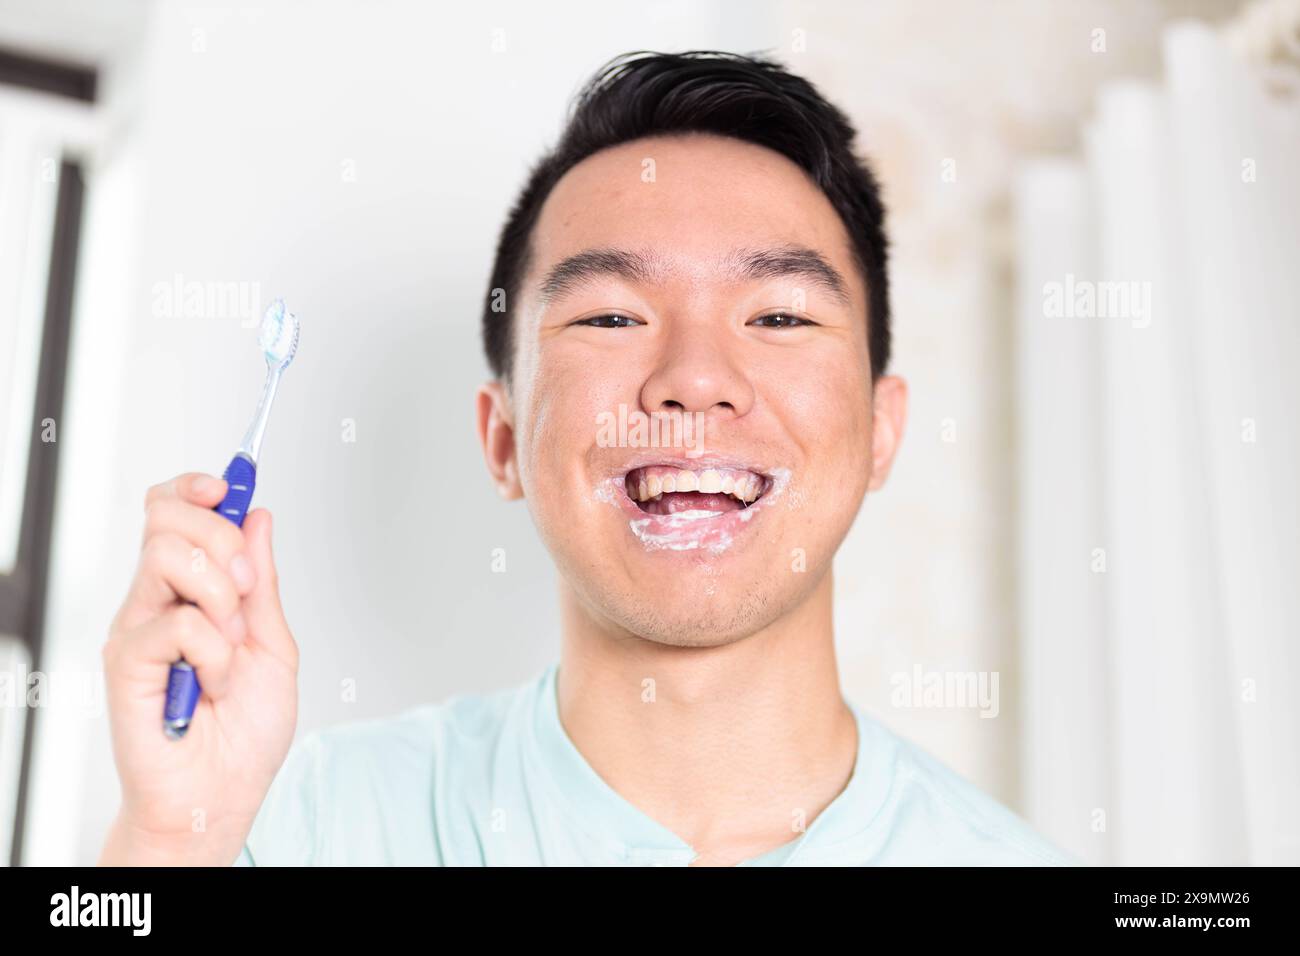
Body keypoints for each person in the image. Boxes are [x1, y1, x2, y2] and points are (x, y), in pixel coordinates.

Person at [99, 50, 1074, 866]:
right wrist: (172, 832)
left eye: (778, 314)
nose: (694, 378)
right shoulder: (305, 821)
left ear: (881, 431)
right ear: (504, 435)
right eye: (611, 314)